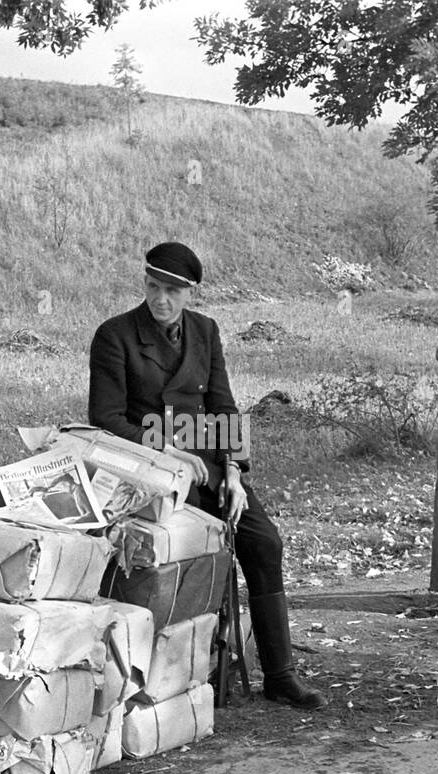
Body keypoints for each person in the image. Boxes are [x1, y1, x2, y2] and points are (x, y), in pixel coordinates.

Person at [89, 241, 327, 709]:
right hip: (152, 474)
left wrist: (235, 471)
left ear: (190, 294)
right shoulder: (114, 336)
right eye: (154, 287)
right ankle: (194, 673)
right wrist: (168, 450)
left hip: (212, 468)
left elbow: (223, 406)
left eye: (173, 291)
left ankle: (280, 675)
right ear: (144, 284)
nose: (161, 300)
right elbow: (106, 419)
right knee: (205, 550)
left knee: (264, 543)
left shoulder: (205, 331)